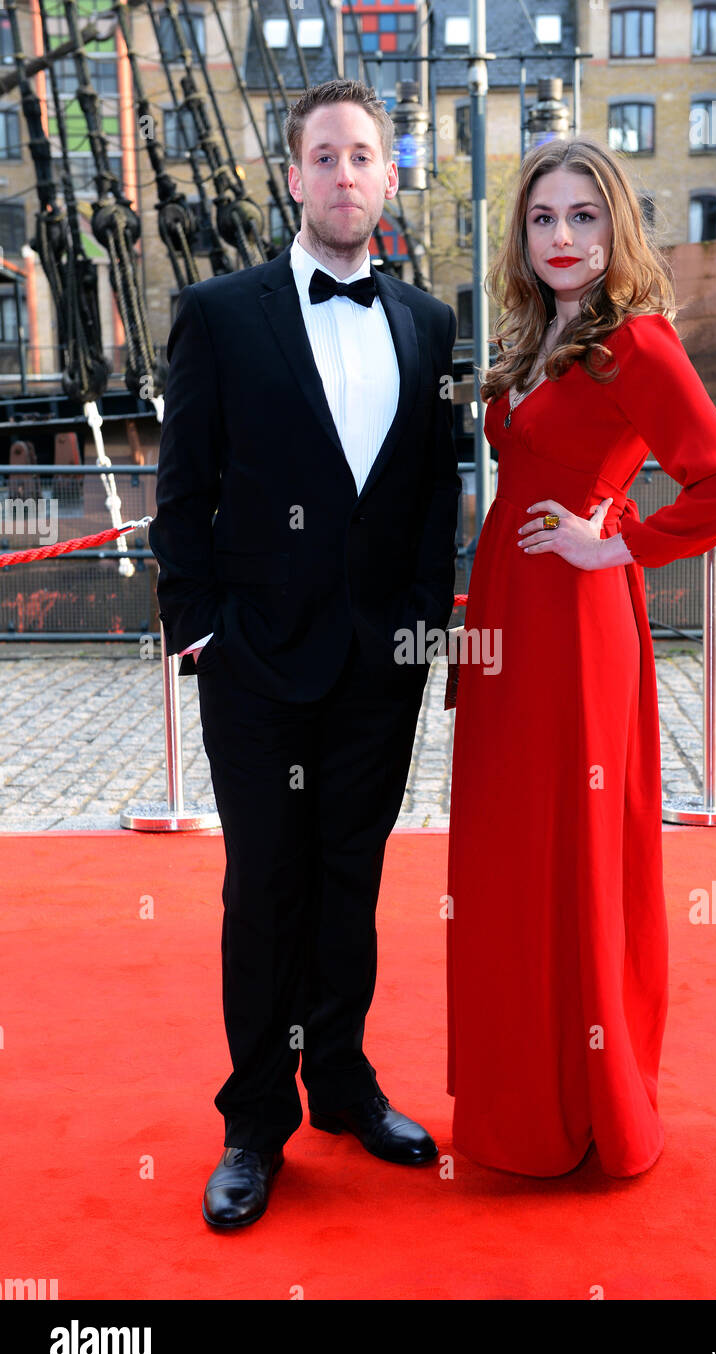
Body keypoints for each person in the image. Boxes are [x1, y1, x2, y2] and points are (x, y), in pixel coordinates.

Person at [149, 78, 461, 1228]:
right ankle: (253, 1123)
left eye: (362, 156)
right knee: (263, 890)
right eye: (321, 156)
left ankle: (343, 1083)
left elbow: (436, 493)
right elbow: (181, 490)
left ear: (388, 177)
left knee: (352, 882)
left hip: (379, 669)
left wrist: (422, 630)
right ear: (294, 177)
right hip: (258, 667)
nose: (342, 174)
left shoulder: (428, 322)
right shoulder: (222, 313)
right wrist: (202, 631)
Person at [445, 137, 716, 1179]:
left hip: (577, 628)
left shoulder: (640, 343)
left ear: (615, 226)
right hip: (508, 627)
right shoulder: (538, 334)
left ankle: (589, 1109)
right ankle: (520, 1102)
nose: (563, 235)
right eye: (543, 218)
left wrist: (613, 538)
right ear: (522, 235)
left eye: (583, 216)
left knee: (572, 852)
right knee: (508, 856)